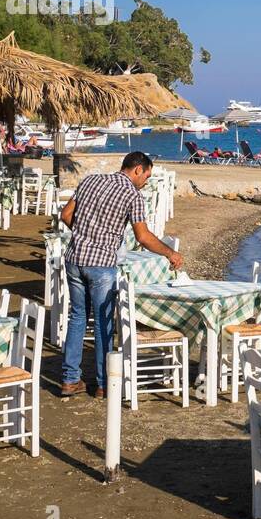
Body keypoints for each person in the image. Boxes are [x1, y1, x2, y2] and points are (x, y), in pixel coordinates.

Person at [57, 151, 182, 398]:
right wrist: (170, 254)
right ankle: (104, 384)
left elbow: (65, 215)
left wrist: (85, 235)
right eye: (147, 175)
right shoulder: (132, 195)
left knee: (77, 317)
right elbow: (143, 237)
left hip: (74, 259)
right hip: (101, 265)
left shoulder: (90, 181)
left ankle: (70, 380)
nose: (146, 181)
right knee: (103, 323)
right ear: (137, 170)